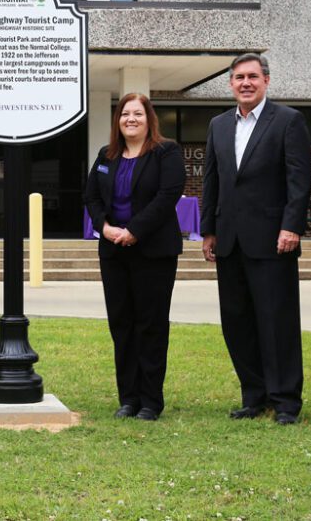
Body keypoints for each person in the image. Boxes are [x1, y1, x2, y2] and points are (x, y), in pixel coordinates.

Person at [201, 53, 311, 425]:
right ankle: (254, 395)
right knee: (237, 321)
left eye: (252, 76)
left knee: (276, 321)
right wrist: (208, 230)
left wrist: (292, 225)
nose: (245, 83)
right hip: (229, 240)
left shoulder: (288, 121)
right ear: (230, 83)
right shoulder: (218, 125)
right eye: (238, 77)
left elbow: (299, 179)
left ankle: (285, 401)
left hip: (273, 239)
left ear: (266, 80)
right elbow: (211, 181)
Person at [85, 93, 186, 421]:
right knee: (122, 324)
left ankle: (150, 401)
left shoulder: (166, 152)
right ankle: (128, 398)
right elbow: (92, 196)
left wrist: (135, 230)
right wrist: (106, 227)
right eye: (125, 114)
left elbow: (168, 195)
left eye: (137, 114)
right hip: (114, 252)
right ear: (118, 120)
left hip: (153, 251)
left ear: (149, 118)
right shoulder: (106, 155)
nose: (130, 119)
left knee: (151, 325)